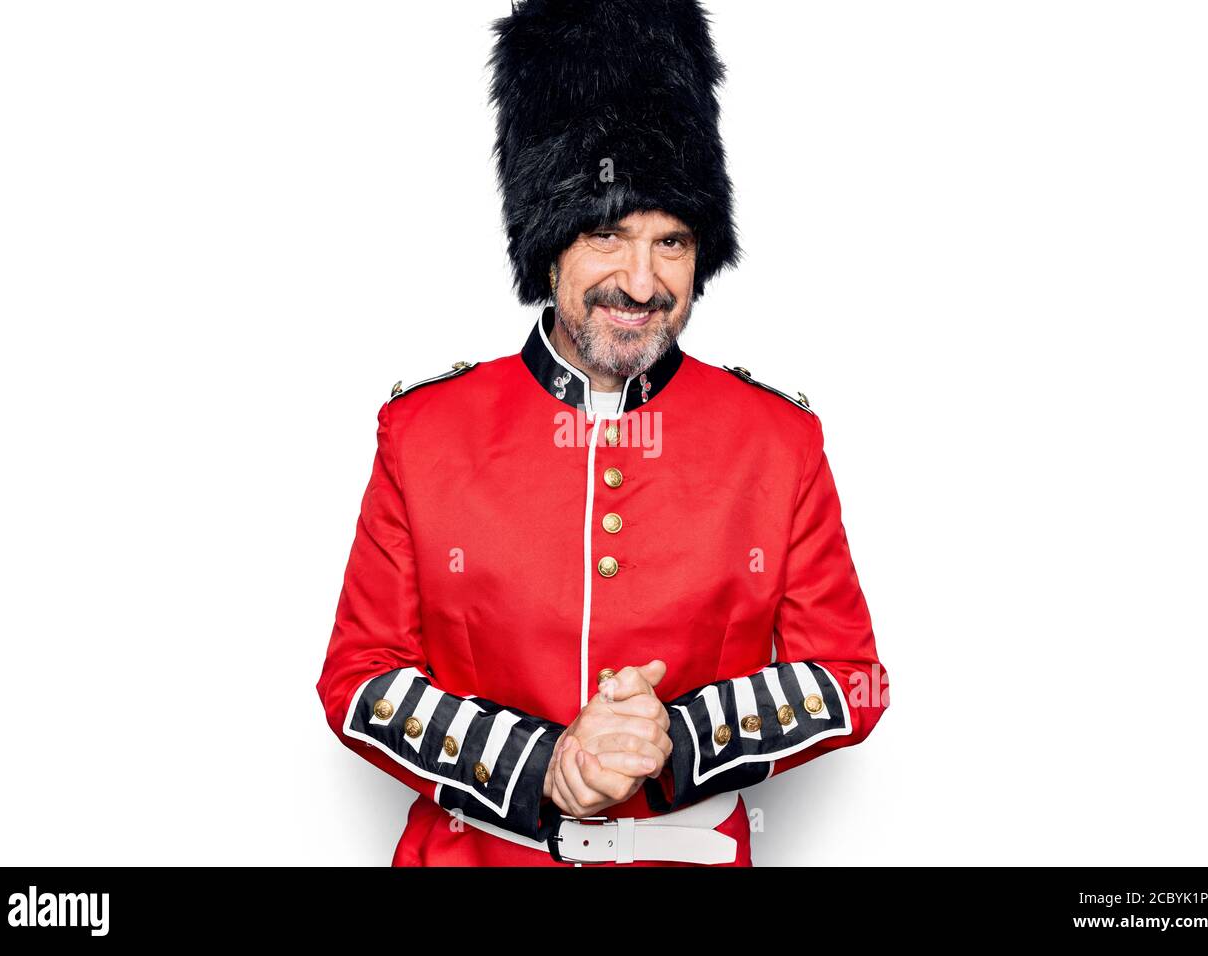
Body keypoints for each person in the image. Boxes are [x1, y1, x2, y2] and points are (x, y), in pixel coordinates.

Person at [314, 0, 889, 866]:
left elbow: (850, 677)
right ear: (549, 248)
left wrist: (677, 737)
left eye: (673, 242)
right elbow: (360, 678)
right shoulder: (424, 433)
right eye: (606, 234)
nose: (641, 279)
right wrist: (547, 763)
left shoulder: (779, 441)